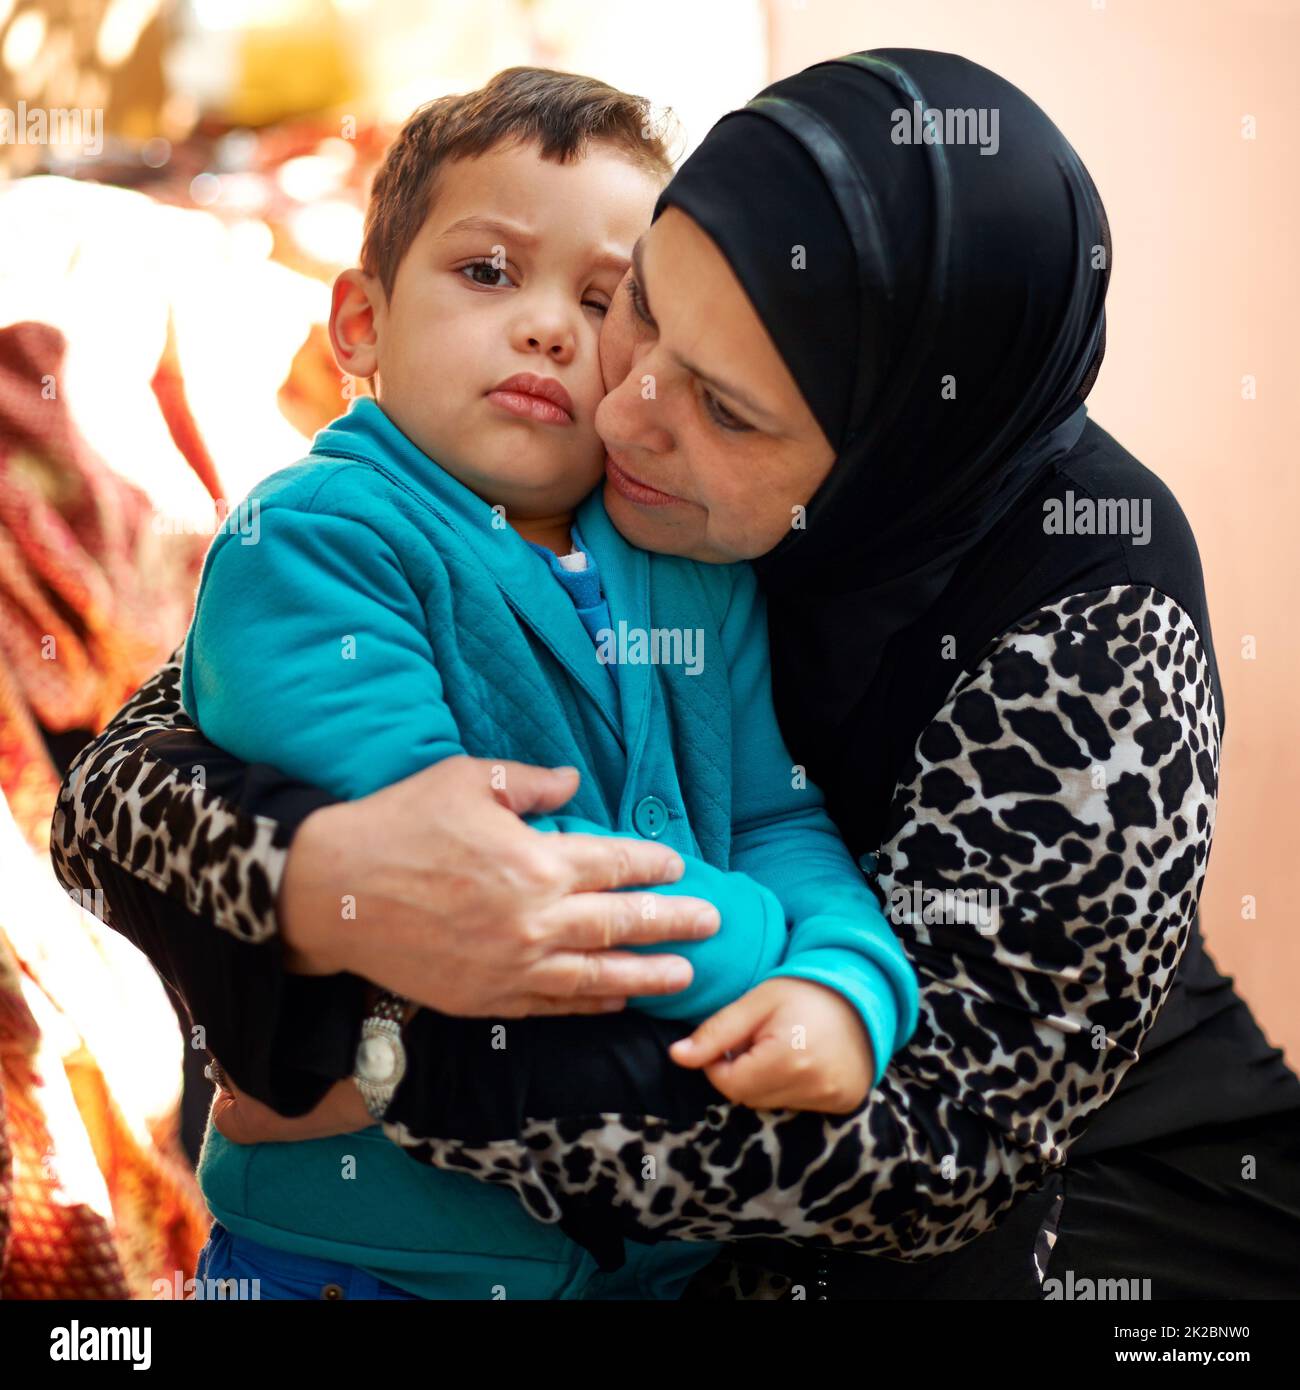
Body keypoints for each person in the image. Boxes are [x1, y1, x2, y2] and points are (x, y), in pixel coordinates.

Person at [53, 49, 1300, 1299]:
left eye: (728, 409)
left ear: (880, 455)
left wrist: (375, 1071)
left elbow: (933, 1151)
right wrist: (319, 884)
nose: (624, 406)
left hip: (1100, 1216)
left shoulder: (1096, 617)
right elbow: (129, 785)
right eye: (644, 304)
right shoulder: (544, 492)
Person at [167, 66, 919, 1301]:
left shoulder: (681, 559)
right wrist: (752, 944)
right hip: (364, 1257)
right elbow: (482, 871)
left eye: (604, 298)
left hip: (639, 1258)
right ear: (359, 325)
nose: (548, 328)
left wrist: (841, 981)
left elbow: (776, 811)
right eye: (487, 272)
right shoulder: (314, 542)